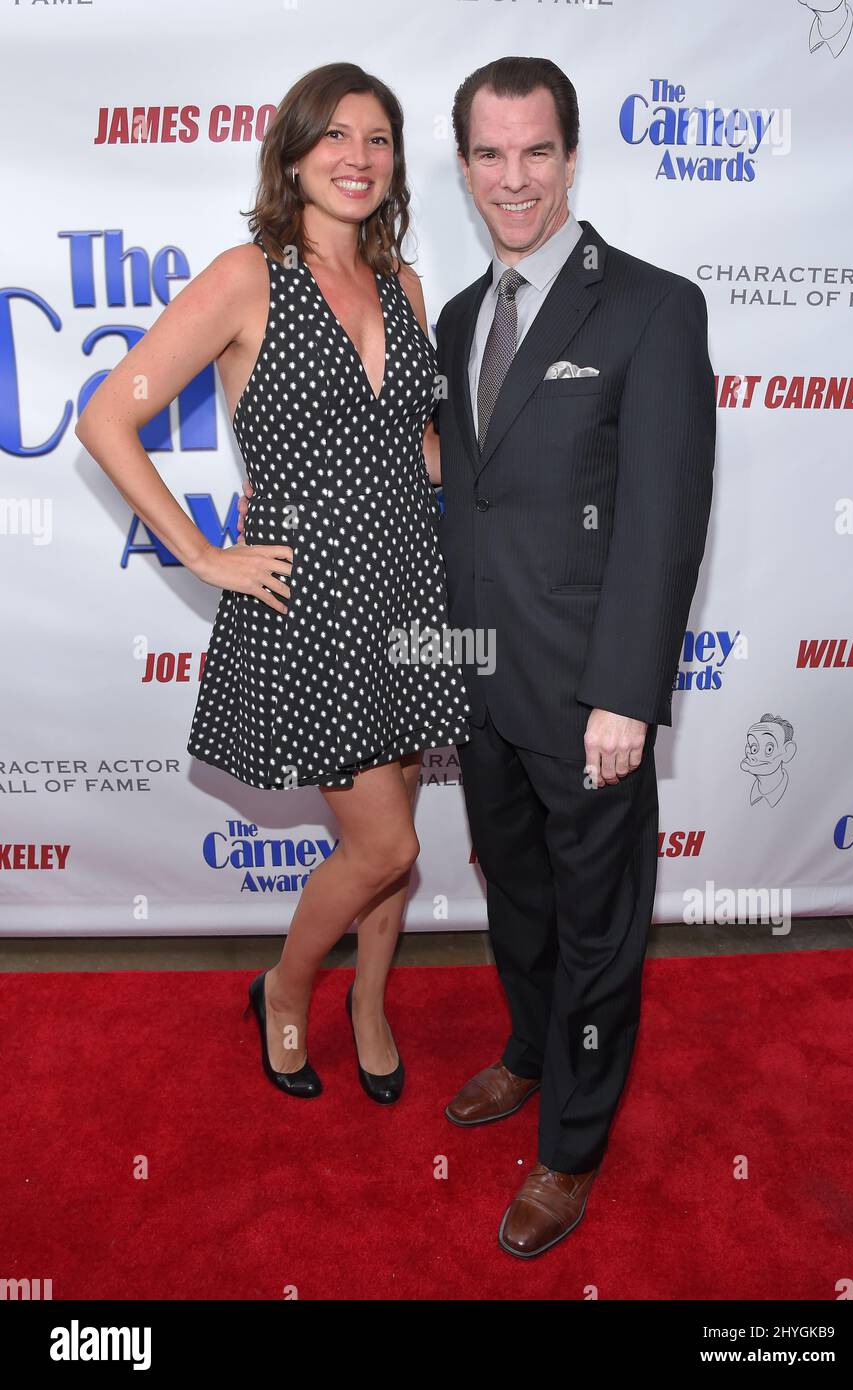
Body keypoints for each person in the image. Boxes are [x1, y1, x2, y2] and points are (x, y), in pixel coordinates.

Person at [74, 62, 471, 1108]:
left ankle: (371, 1001)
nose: (358, 157)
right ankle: (286, 985)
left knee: (390, 840)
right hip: (311, 603)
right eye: (334, 136)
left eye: (378, 139)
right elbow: (107, 418)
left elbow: (417, 446)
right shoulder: (248, 277)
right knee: (386, 840)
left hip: (408, 590)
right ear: (292, 154)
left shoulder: (406, 287)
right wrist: (202, 553)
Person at [433, 55, 716, 1257]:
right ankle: (527, 1051)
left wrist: (624, 694)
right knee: (521, 903)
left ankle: (571, 1146)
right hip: (483, 687)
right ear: (464, 166)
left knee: (601, 922)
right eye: (491, 155)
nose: (514, 179)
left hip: (590, 695)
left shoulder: (653, 305)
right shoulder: (457, 317)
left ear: (572, 155)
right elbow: (471, 503)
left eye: (536, 152)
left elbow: (664, 518)